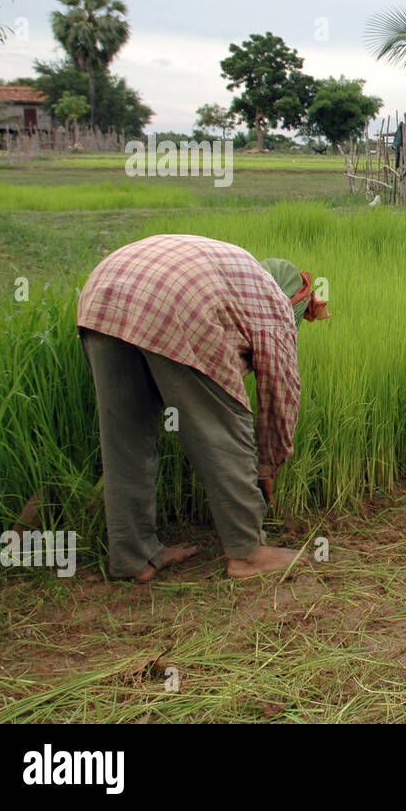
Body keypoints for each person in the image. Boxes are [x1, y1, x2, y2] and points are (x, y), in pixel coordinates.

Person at [76, 234, 329, 581]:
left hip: (104, 291)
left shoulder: (239, 276)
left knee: (126, 437)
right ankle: (248, 553)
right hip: (175, 299)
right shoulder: (274, 304)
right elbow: (280, 397)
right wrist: (268, 464)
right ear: (293, 303)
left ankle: (134, 556)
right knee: (225, 429)